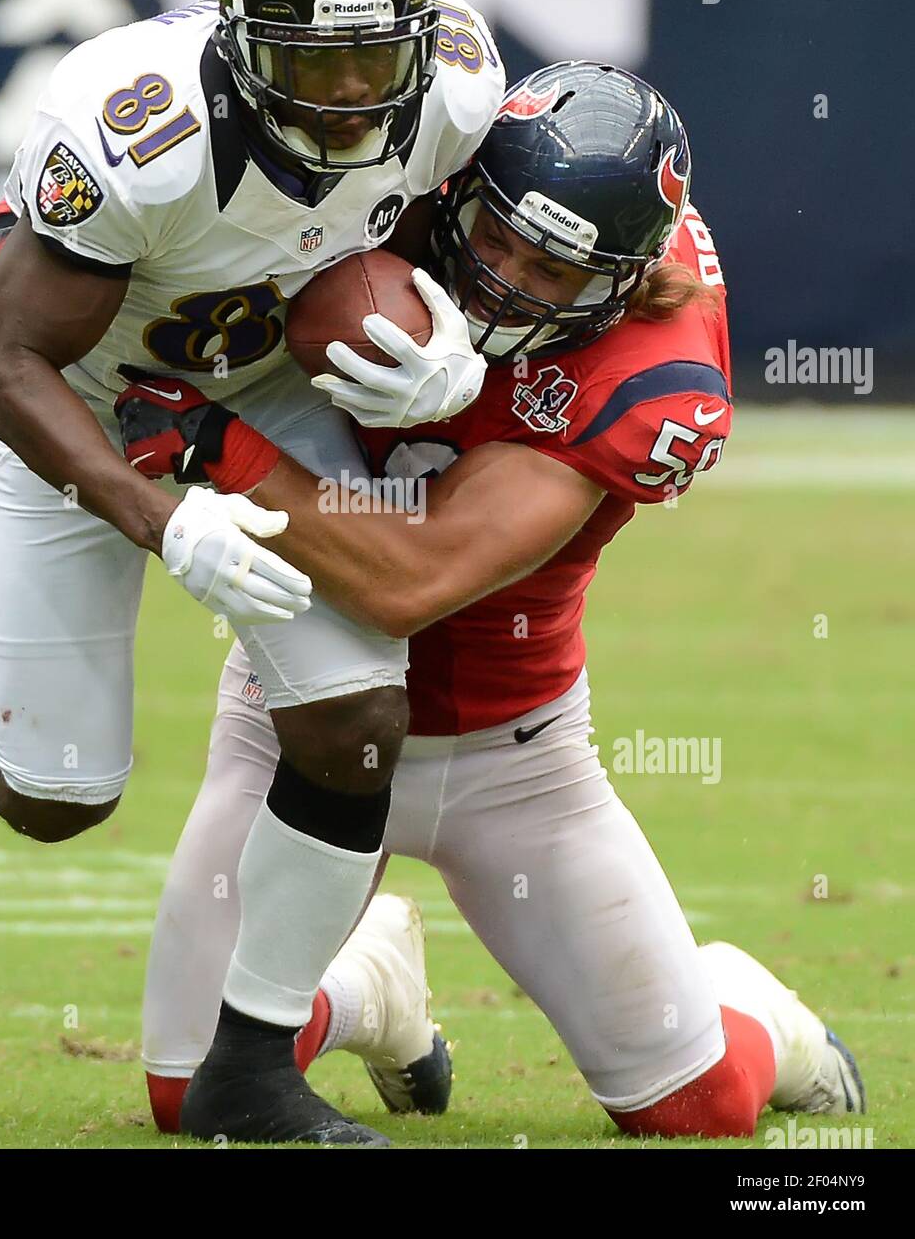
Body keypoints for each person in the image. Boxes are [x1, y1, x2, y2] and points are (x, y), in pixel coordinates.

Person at [0, 0, 503, 1146]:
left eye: (378, 61)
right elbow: (2, 361)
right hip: (87, 408)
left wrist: (453, 334)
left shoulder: (460, 80)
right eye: (319, 67)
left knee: (357, 713)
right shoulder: (131, 131)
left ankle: (247, 1067)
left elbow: (462, 231)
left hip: (267, 387)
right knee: (54, 795)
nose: (358, 96)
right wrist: (161, 516)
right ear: (246, 47)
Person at [125, 63, 866, 1142]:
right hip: (305, 727)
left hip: (513, 760)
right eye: (496, 234)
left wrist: (218, 446)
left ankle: (753, 1007)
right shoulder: (383, 197)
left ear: (617, 285)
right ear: (456, 189)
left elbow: (411, 580)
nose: (498, 281)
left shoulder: (648, 370)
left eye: (552, 271)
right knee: (189, 1091)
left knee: (694, 1111)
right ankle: (373, 986)